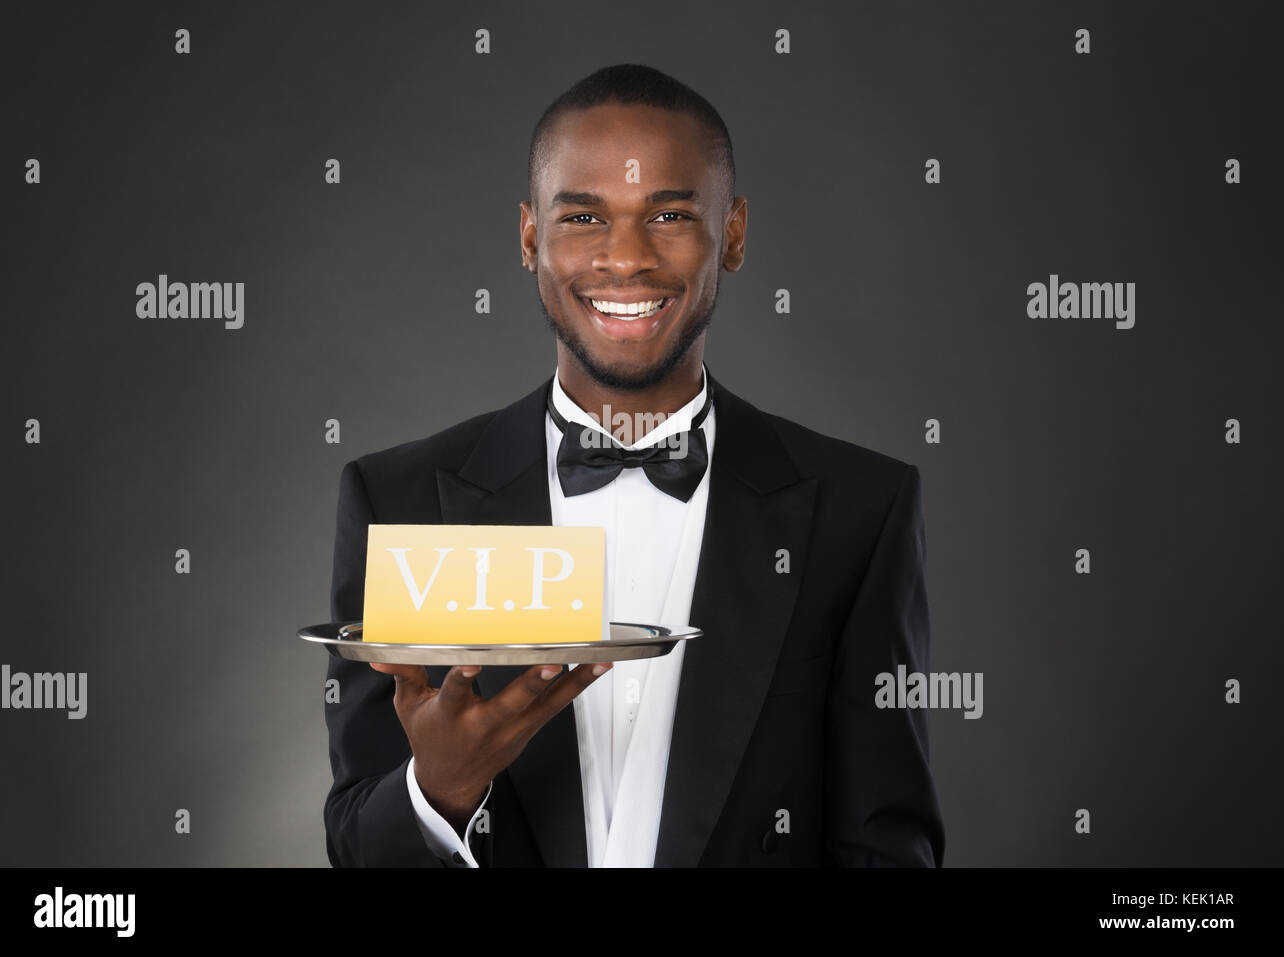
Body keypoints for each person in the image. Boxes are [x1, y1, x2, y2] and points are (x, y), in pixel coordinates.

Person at [324, 63, 945, 867]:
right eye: (583, 216)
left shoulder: (862, 511)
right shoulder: (398, 501)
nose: (625, 259)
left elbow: (886, 848)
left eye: (671, 213)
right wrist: (438, 792)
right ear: (528, 237)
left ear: (734, 232)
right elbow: (355, 846)